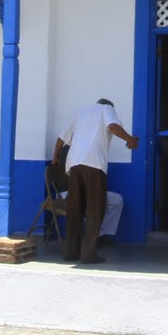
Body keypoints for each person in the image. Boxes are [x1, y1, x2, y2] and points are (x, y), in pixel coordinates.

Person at [55, 99, 138, 264]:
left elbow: (60, 138)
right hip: (93, 164)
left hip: (73, 165)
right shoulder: (107, 109)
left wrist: (55, 158)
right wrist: (130, 139)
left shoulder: (80, 112)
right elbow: (113, 127)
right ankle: (88, 253)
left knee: (75, 210)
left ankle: (71, 252)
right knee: (95, 208)